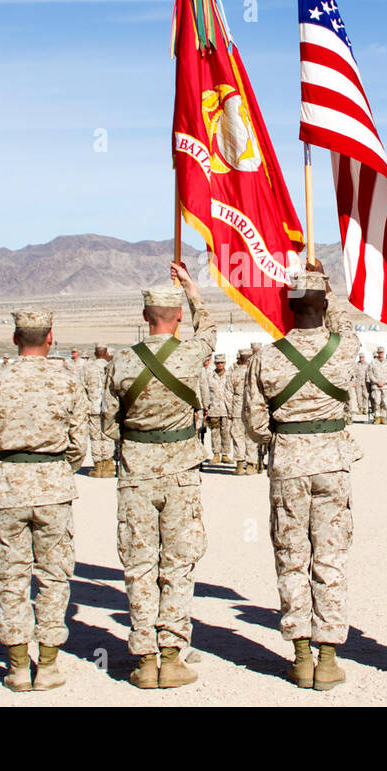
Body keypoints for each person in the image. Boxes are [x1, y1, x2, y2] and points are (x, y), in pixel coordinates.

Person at [244, 265, 360, 691]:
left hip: (288, 467)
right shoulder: (344, 347)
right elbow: (344, 323)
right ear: (325, 305)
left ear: (287, 308)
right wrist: (326, 286)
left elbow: (255, 427)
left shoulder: (266, 357)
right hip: (333, 465)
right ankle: (328, 660)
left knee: (292, 558)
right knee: (330, 557)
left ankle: (301, 656)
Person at [101, 262, 214, 690]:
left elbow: (108, 424)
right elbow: (211, 331)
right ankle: (171, 655)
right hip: (181, 474)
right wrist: (191, 288)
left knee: (139, 565)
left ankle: (144, 660)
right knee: (177, 565)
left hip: (136, 474)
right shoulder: (190, 355)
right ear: (177, 316)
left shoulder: (121, 362)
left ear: (145, 317)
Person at [0, 308, 86, 692]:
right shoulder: (67, 381)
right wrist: (54, 462)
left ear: (14, 339)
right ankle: (49, 665)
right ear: (51, 337)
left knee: (11, 575)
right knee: (54, 576)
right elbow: (79, 445)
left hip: (10, 487)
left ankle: (19, 667)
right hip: (54, 486)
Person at [83, 345, 113, 478]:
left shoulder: (87, 368)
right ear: (106, 353)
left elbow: (82, 387)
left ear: (95, 353)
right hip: (108, 406)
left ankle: (98, 465)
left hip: (92, 406)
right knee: (107, 435)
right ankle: (108, 464)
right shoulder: (110, 366)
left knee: (95, 437)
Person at [229, 349, 255, 475]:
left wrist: (229, 410)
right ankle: (251, 465)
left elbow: (228, 393)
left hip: (237, 409)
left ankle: (239, 465)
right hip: (252, 409)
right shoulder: (254, 373)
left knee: (238, 436)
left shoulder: (233, 374)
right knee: (251, 436)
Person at [204, 355, 232, 465]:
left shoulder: (229, 375)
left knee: (226, 433)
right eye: (217, 363)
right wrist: (206, 407)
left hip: (226, 409)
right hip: (214, 409)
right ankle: (216, 454)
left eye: (221, 362)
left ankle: (225, 454)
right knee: (215, 433)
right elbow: (206, 392)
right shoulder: (210, 376)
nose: (219, 364)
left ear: (225, 363)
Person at [367, 348, 387, 424]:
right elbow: (370, 373)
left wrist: (385, 382)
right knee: (376, 402)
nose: (380, 354)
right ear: (377, 353)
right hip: (376, 386)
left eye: (382, 352)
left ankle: (383, 417)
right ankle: (377, 417)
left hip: (385, 386)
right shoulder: (373, 362)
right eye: (379, 352)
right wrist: (376, 382)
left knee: (385, 402)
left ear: (384, 353)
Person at [351, 355, 369, 421]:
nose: (361, 358)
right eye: (360, 357)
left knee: (365, 396)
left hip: (365, 382)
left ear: (364, 358)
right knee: (358, 396)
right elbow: (353, 374)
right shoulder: (356, 365)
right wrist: (353, 383)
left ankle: (365, 408)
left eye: (362, 357)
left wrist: (368, 382)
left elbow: (369, 373)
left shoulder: (367, 365)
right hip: (358, 381)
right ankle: (360, 408)